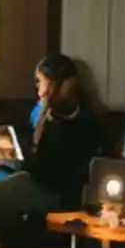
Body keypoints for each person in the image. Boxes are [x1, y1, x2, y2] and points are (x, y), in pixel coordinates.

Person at [24, 53, 103, 211]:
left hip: (66, 195)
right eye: (38, 83)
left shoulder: (87, 121)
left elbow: (74, 170)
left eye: (46, 83)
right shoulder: (40, 115)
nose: (41, 93)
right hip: (38, 185)